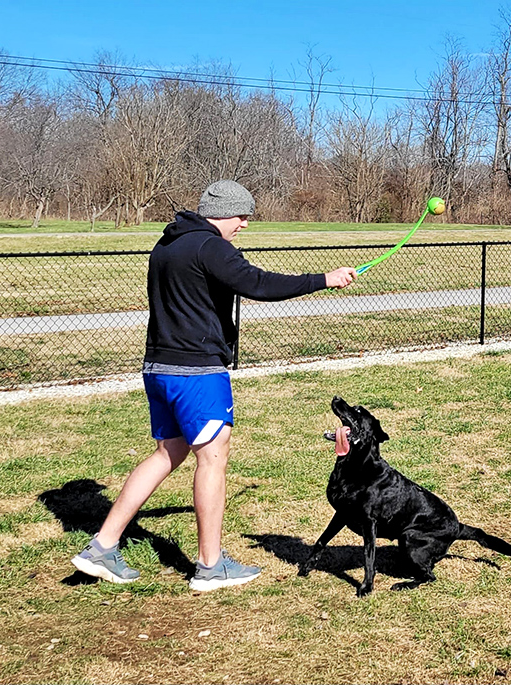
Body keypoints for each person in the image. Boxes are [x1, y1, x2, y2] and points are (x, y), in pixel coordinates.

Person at [72, 180, 357, 592]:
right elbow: (258, 284)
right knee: (212, 461)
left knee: (168, 453)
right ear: (223, 211)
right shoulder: (210, 246)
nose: (245, 224)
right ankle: (210, 566)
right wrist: (323, 279)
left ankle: (102, 546)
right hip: (197, 373)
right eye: (243, 215)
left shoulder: (168, 244)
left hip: (159, 367)